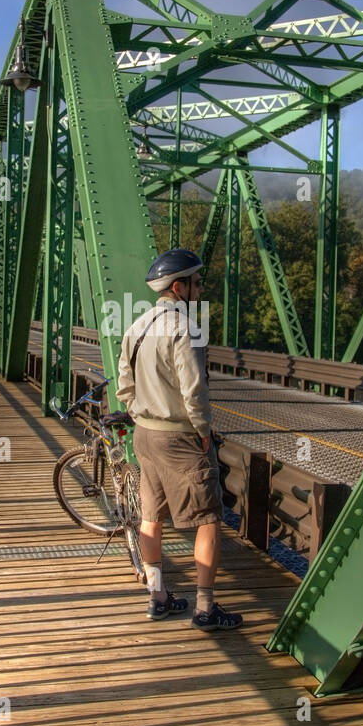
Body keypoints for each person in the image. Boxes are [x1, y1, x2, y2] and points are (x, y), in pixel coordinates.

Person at [116, 248, 243, 630]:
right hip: (179, 439)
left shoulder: (136, 326)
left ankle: (157, 597)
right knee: (207, 519)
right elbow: (195, 390)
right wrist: (203, 431)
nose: (201, 289)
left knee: (151, 518)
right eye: (197, 283)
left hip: (144, 435)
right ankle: (205, 609)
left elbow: (124, 385)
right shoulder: (186, 328)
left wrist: (142, 411)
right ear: (179, 286)